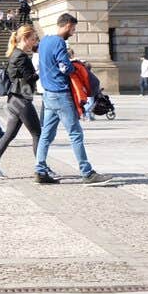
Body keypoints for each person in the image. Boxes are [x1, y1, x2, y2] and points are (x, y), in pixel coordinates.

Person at [33, 13, 111, 185]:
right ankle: (87, 172)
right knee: (75, 133)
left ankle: (40, 170)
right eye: (73, 29)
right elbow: (64, 68)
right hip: (61, 94)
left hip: (48, 95)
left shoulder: (44, 41)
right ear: (67, 25)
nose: (73, 32)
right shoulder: (60, 42)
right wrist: (73, 64)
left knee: (46, 134)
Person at [0, 23, 41, 177]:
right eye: (33, 39)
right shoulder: (21, 56)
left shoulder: (16, 54)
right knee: (37, 133)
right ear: (25, 38)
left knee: (9, 135)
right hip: (21, 99)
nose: (34, 42)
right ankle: (41, 168)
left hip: (14, 99)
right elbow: (29, 78)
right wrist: (41, 71)